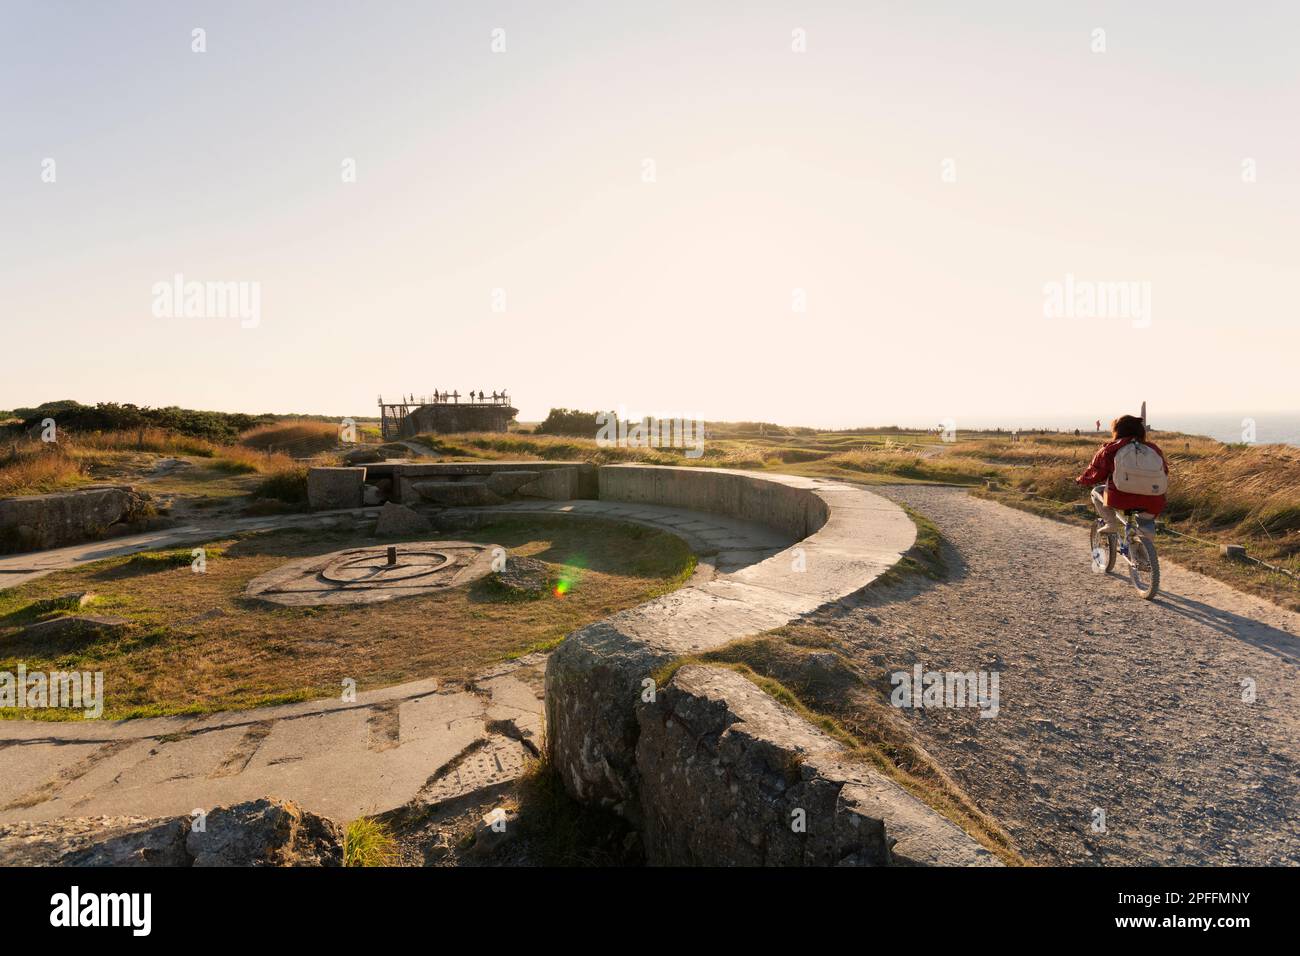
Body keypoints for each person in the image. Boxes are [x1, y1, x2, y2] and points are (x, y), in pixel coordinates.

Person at [1076, 415, 1168, 534]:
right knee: (1146, 522)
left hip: (1120, 498)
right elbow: (1164, 472)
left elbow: (1095, 473)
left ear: (1117, 431)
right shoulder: (1153, 449)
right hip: (1153, 500)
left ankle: (1110, 524)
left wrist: (1080, 480)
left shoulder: (1110, 449)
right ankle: (1146, 543)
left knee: (1096, 492)